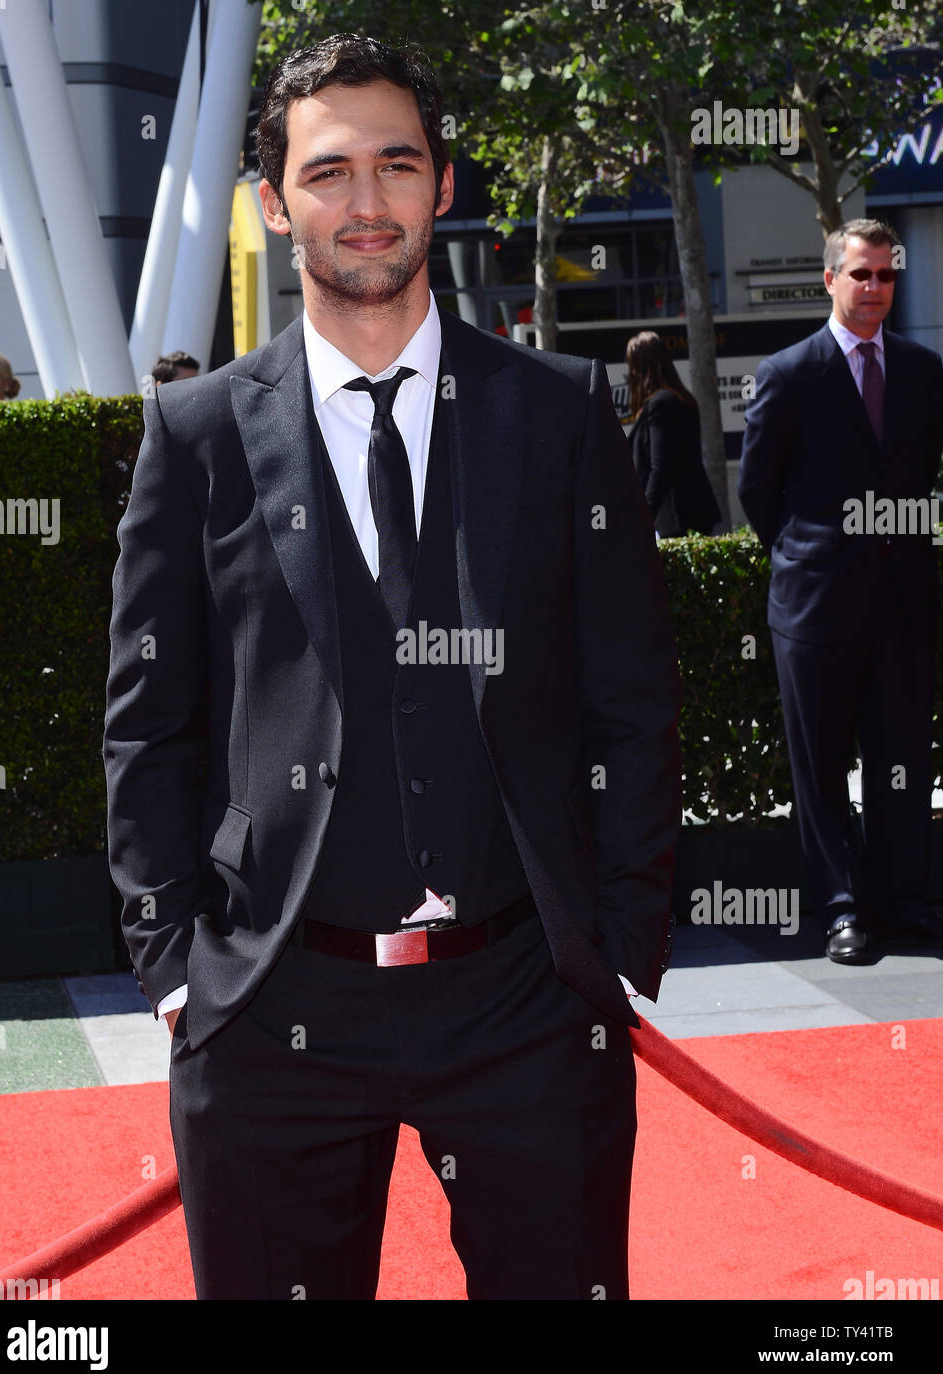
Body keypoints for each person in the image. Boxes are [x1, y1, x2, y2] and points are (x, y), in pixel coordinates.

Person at [103, 33, 681, 1301]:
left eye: (396, 165)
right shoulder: (196, 436)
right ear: (272, 202)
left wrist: (623, 941)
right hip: (270, 1004)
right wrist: (171, 967)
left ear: (442, 185)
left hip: (525, 995)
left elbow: (630, 698)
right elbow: (151, 720)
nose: (365, 204)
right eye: (328, 173)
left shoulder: (560, 409)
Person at [738, 217, 943, 965]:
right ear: (831, 279)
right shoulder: (790, 372)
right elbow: (757, 492)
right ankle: (842, 909)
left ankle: (903, 904)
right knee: (820, 765)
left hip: (904, 604)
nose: (876, 288)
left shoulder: (923, 372)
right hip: (816, 605)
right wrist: (809, 557)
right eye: (862, 274)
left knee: (902, 759)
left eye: (887, 275)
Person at [625, 330, 720, 538]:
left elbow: (660, 467)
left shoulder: (660, 405)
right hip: (691, 514)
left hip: (674, 519)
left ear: (639, 368)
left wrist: (644, 517)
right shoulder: (682, 400)